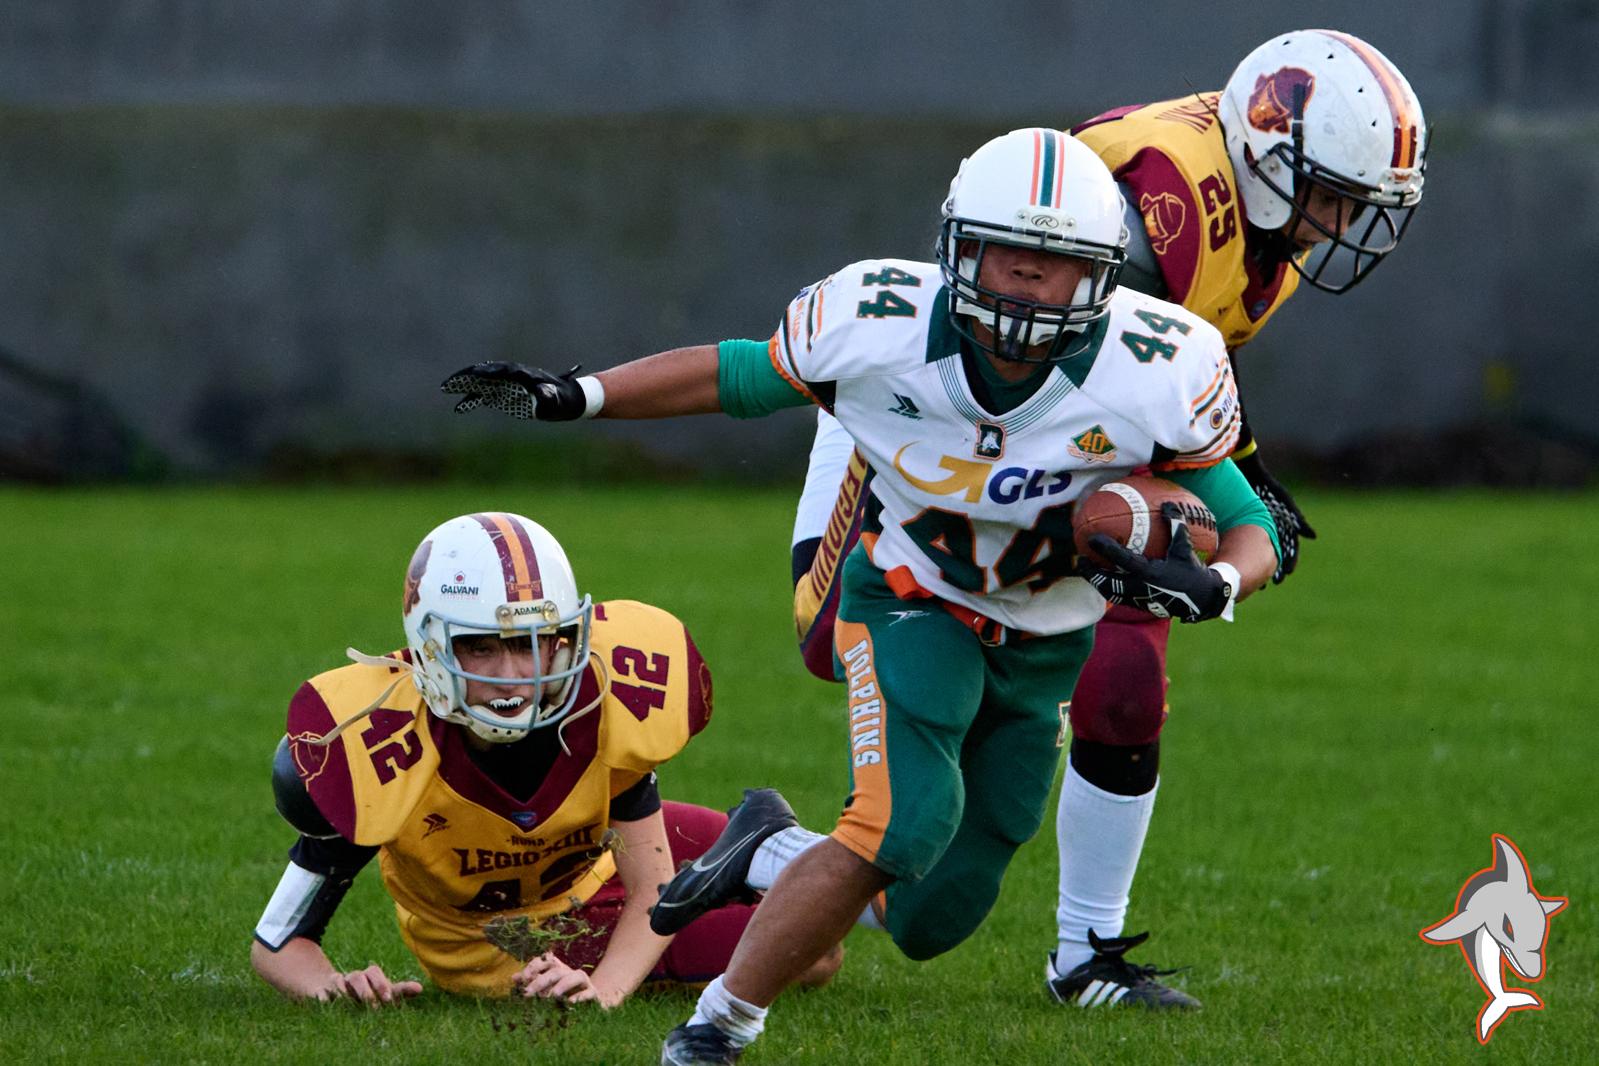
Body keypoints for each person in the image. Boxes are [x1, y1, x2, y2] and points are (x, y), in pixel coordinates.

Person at [440, 126, 1280, 1062]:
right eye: (1005, 254)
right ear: (957, 247)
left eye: (1053, 262)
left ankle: (761, 848)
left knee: (930, 917)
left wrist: (1213, 582)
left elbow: (1254, 527)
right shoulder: (876, 321)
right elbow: (736, 374)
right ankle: (717, 1028)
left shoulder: (1162, 364)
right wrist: (579, 395)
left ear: (1101, 274)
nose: (1024, 282)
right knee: (900, 822)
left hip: (1045, 641)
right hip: (907, 596)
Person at [787, 29, 1428, 1009]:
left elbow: (1178, 372)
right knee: (832, 639)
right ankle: (780, 857)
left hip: (1060, 450)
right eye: (1331, 194)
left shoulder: (1265, 225)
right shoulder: (1164, 203)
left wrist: (1241, 483)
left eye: (1356, 204)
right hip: (936, 439)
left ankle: (1084, 952)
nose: (1338, 223)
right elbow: (1075, 368)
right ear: (1265, 148)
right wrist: (1212, 502)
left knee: (1125, 679)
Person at [250, 511, 841, 1006]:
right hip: (516, 939)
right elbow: (278, 941)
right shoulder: (376, 738)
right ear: (429, 645)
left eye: (533, 644)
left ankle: (850, 870)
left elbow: (650, 884)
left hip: (597, 856)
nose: (513, 678)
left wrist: (607, 987)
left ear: (568, 638)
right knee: (815, 947)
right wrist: (332, 987)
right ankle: (753, 865)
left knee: (821, 884)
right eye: (480, 647)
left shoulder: (597, 702)